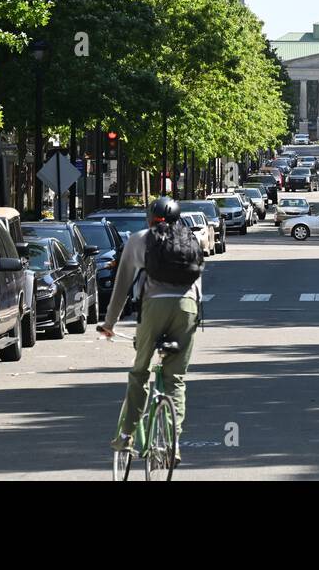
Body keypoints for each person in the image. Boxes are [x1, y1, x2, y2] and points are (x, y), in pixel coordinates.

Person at [98, 196, 204, 460]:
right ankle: (173, 443)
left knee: (140, 372)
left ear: (150, 217)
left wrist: (109, 323)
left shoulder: (139, 239)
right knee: (176, 380)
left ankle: (126, 436)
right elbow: (198, 280)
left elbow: (122, 285)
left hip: (154, 308)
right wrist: (195, 317)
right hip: (188, 308)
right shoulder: (191, 240)